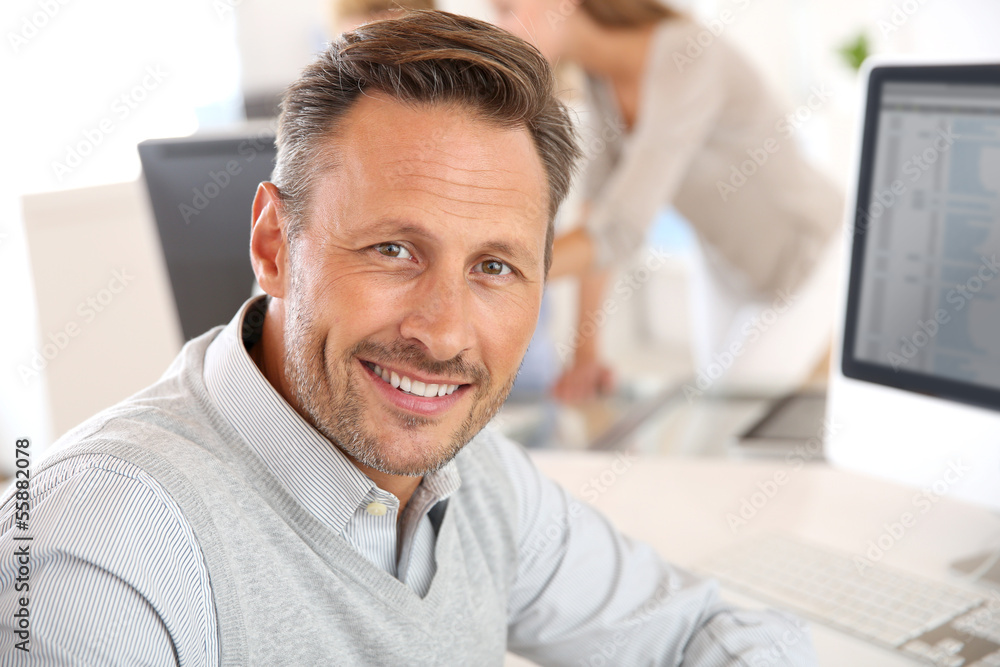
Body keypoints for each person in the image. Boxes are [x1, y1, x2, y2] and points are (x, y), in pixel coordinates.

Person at [0, 11, 815, 665]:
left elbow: (692, 632)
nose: (445, 330)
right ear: (273, 246)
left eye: (495, 266)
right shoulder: (96, 551)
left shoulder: (475, 472)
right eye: (393, 249)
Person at [491, 0, 844, 403]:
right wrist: (585, 351)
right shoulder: (600, 79)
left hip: (811, 256)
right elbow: (600, 212)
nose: (503, 28)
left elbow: (623, 227)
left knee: (731, 416)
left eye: (507, 8)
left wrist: (501, 265)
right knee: (715, 413)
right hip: (725, 266)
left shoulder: (685, 54)